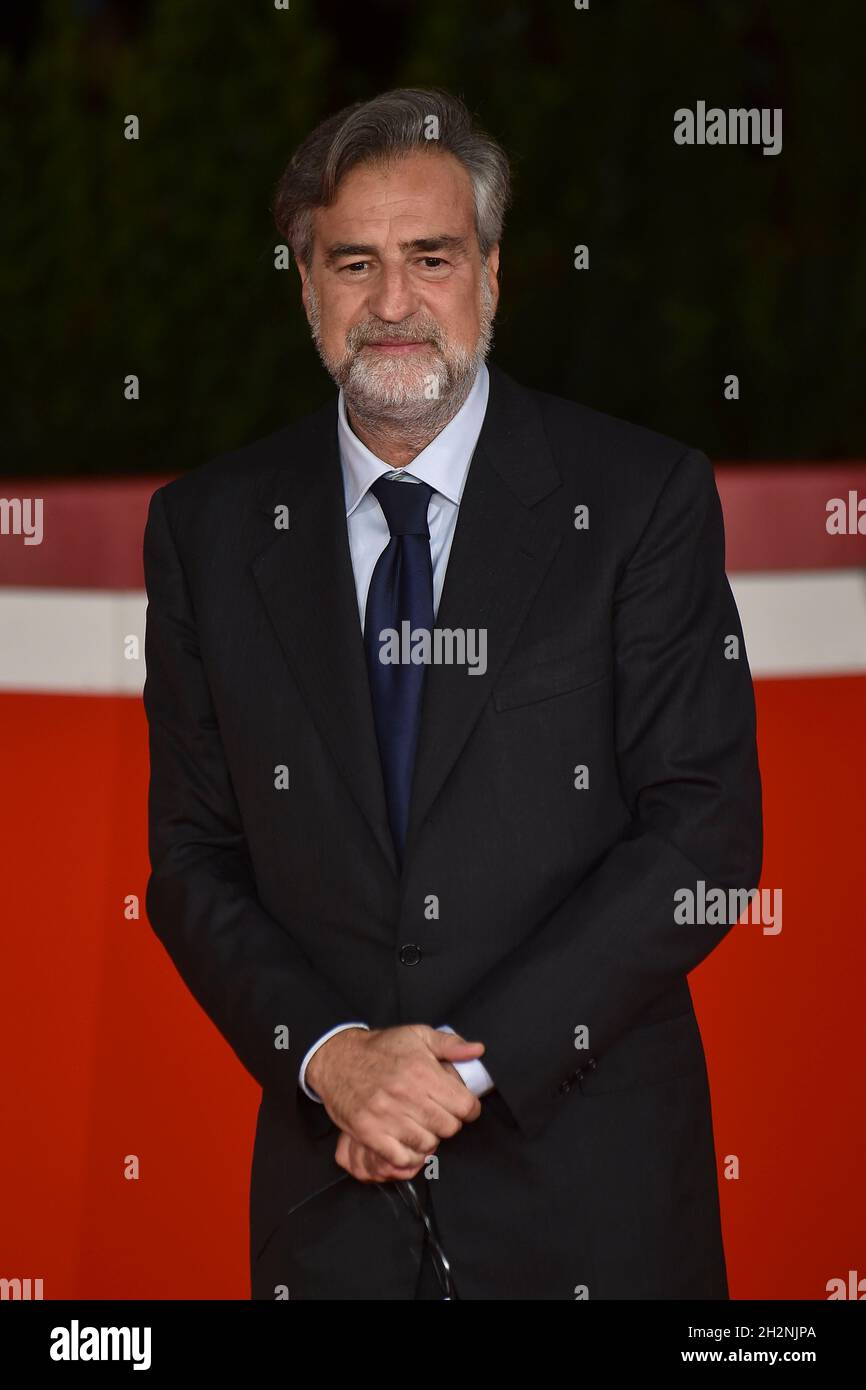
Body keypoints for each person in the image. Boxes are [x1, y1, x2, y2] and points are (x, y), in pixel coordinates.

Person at [143, 87, 762, 1300]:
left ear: (488, 274)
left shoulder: (636, 500)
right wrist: (332, 1061)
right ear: (305, 284)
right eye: (352, 262)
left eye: (429, 258)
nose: (390, 304)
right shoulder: (208, 530)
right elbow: (192, 860)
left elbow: (702, 833)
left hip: (593, 1198)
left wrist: (453, 1076)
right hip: (333, 1197)